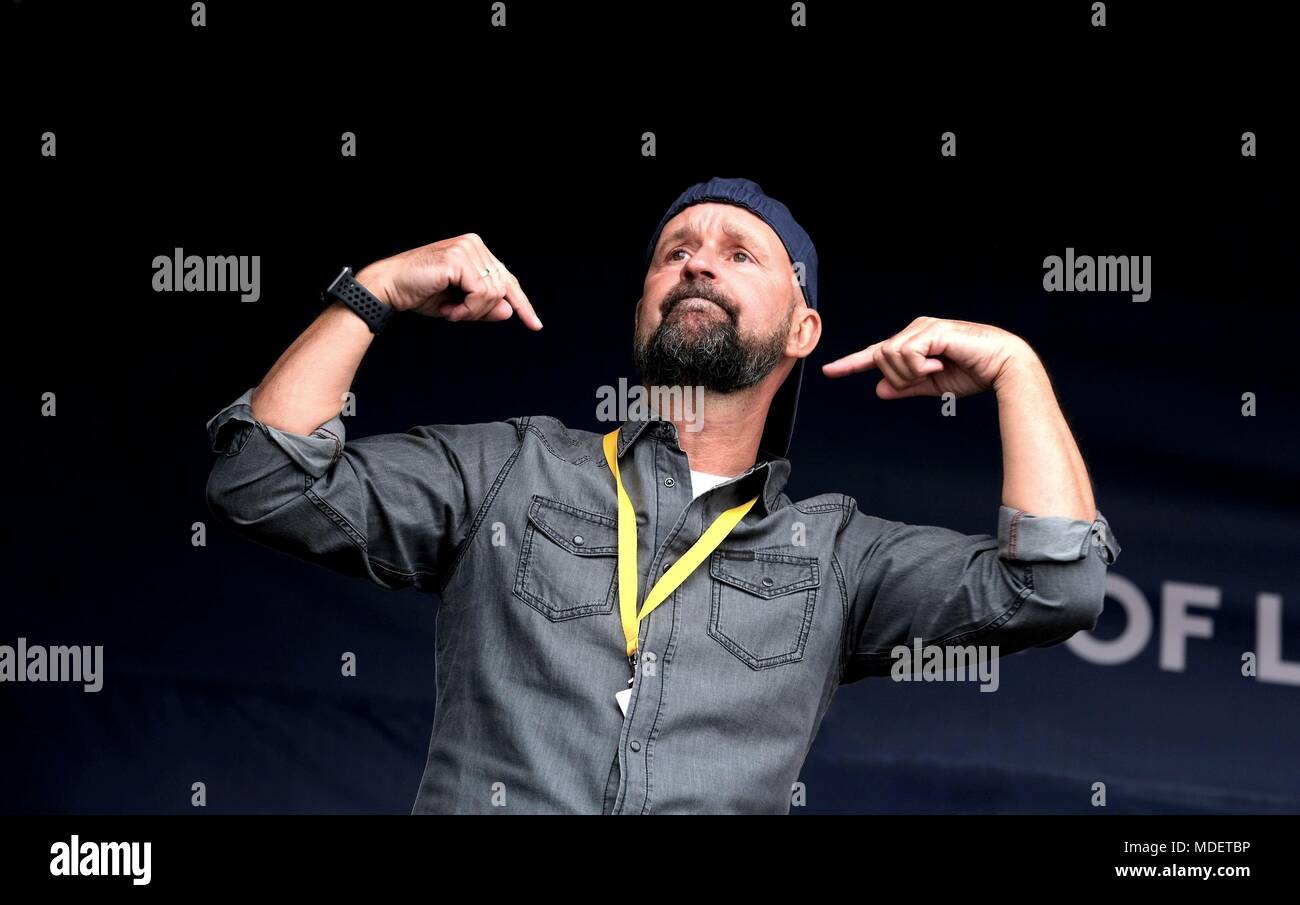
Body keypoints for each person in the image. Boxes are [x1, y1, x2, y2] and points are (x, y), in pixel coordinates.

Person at [205, 176, 1121, 814]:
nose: (696, 263)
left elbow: (1057, 585)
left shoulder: (838, 558)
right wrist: (375, 288)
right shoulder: (511, 470)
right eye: (674, 250)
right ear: (641, 308)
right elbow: (263, 478)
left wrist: (1016, 368)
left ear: (804, 329)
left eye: (738, 254)